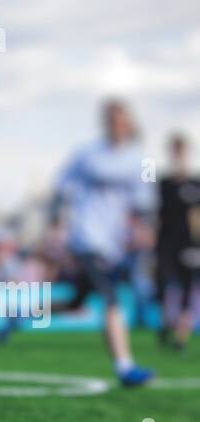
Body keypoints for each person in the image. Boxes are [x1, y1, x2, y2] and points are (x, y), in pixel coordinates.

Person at [38, 99, 155, 386]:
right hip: (85, 237)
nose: (117, 125)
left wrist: (142, 229)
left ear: (128, 123)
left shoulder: (140, 159)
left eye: (121, 120)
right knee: (111, 297)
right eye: (111, 120)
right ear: (106, 123)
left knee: (77, 302)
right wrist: (56, 223)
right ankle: (125, 366)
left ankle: (20, 314)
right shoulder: (87, 155)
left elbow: (144, 201)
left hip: (114, 244)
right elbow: (61, 186)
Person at [157, 132, 200, 351]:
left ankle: (180, 337)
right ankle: (166, 323)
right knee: (164, 286)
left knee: (188, 289)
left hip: (189, 245)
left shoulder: (195, 183)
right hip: (164, 244)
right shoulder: (162, 183)